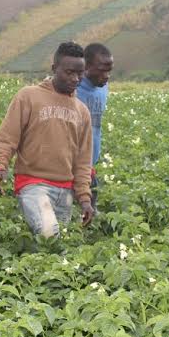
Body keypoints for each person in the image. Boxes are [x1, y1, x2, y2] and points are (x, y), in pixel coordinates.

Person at [0, 41, 94, 237]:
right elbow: (6, 138)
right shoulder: (28, 96)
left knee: (55, 248)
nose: (75, 78)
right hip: (33, 185)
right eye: (69, 72)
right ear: (54, 68)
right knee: (49, 232)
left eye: (80, 73)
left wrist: (85, 198)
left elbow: (83, 161)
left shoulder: (82, 111)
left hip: (66, 191)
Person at [76, 43, 114, 212]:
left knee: (89, 214)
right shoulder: (72, 88)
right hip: (70, 167)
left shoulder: (103, 87)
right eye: (102, 70)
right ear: (87, 66)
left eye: (109, 70)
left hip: (90, 164)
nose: (106, 76)